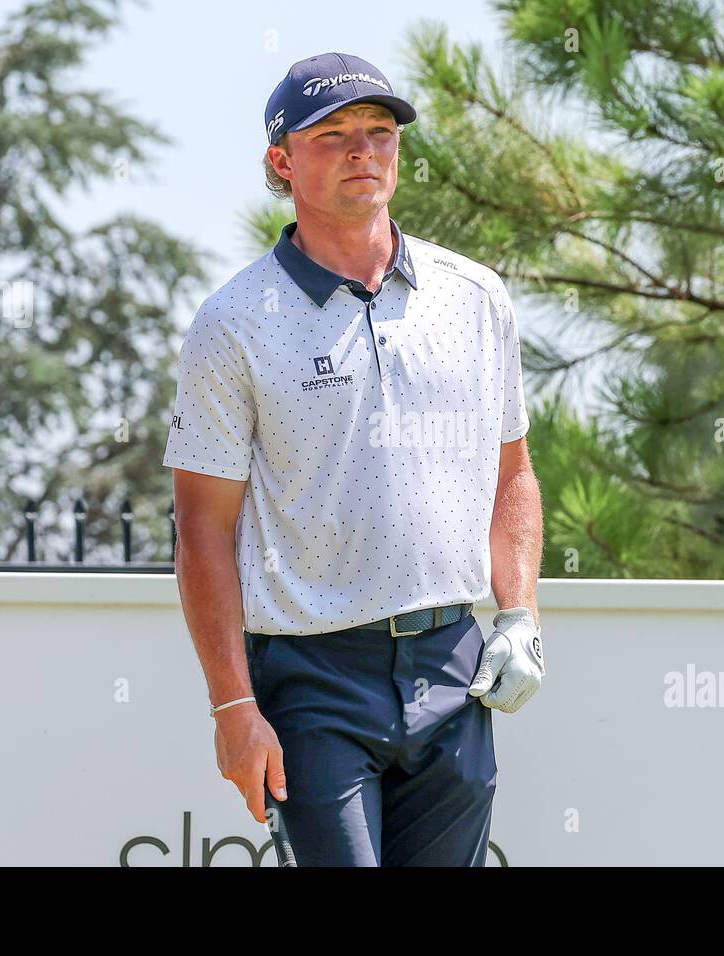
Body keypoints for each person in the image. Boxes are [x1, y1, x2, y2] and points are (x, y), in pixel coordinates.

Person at [163, 51, 544, 866]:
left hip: (452, 662)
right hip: (312, 677)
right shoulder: (232, 322)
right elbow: (201, 532)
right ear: (282, 161)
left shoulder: (476, 296)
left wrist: (519, 615)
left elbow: (512, 473)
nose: (363, 152)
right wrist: (233, 704)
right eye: (333, 136)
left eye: (380, 133)